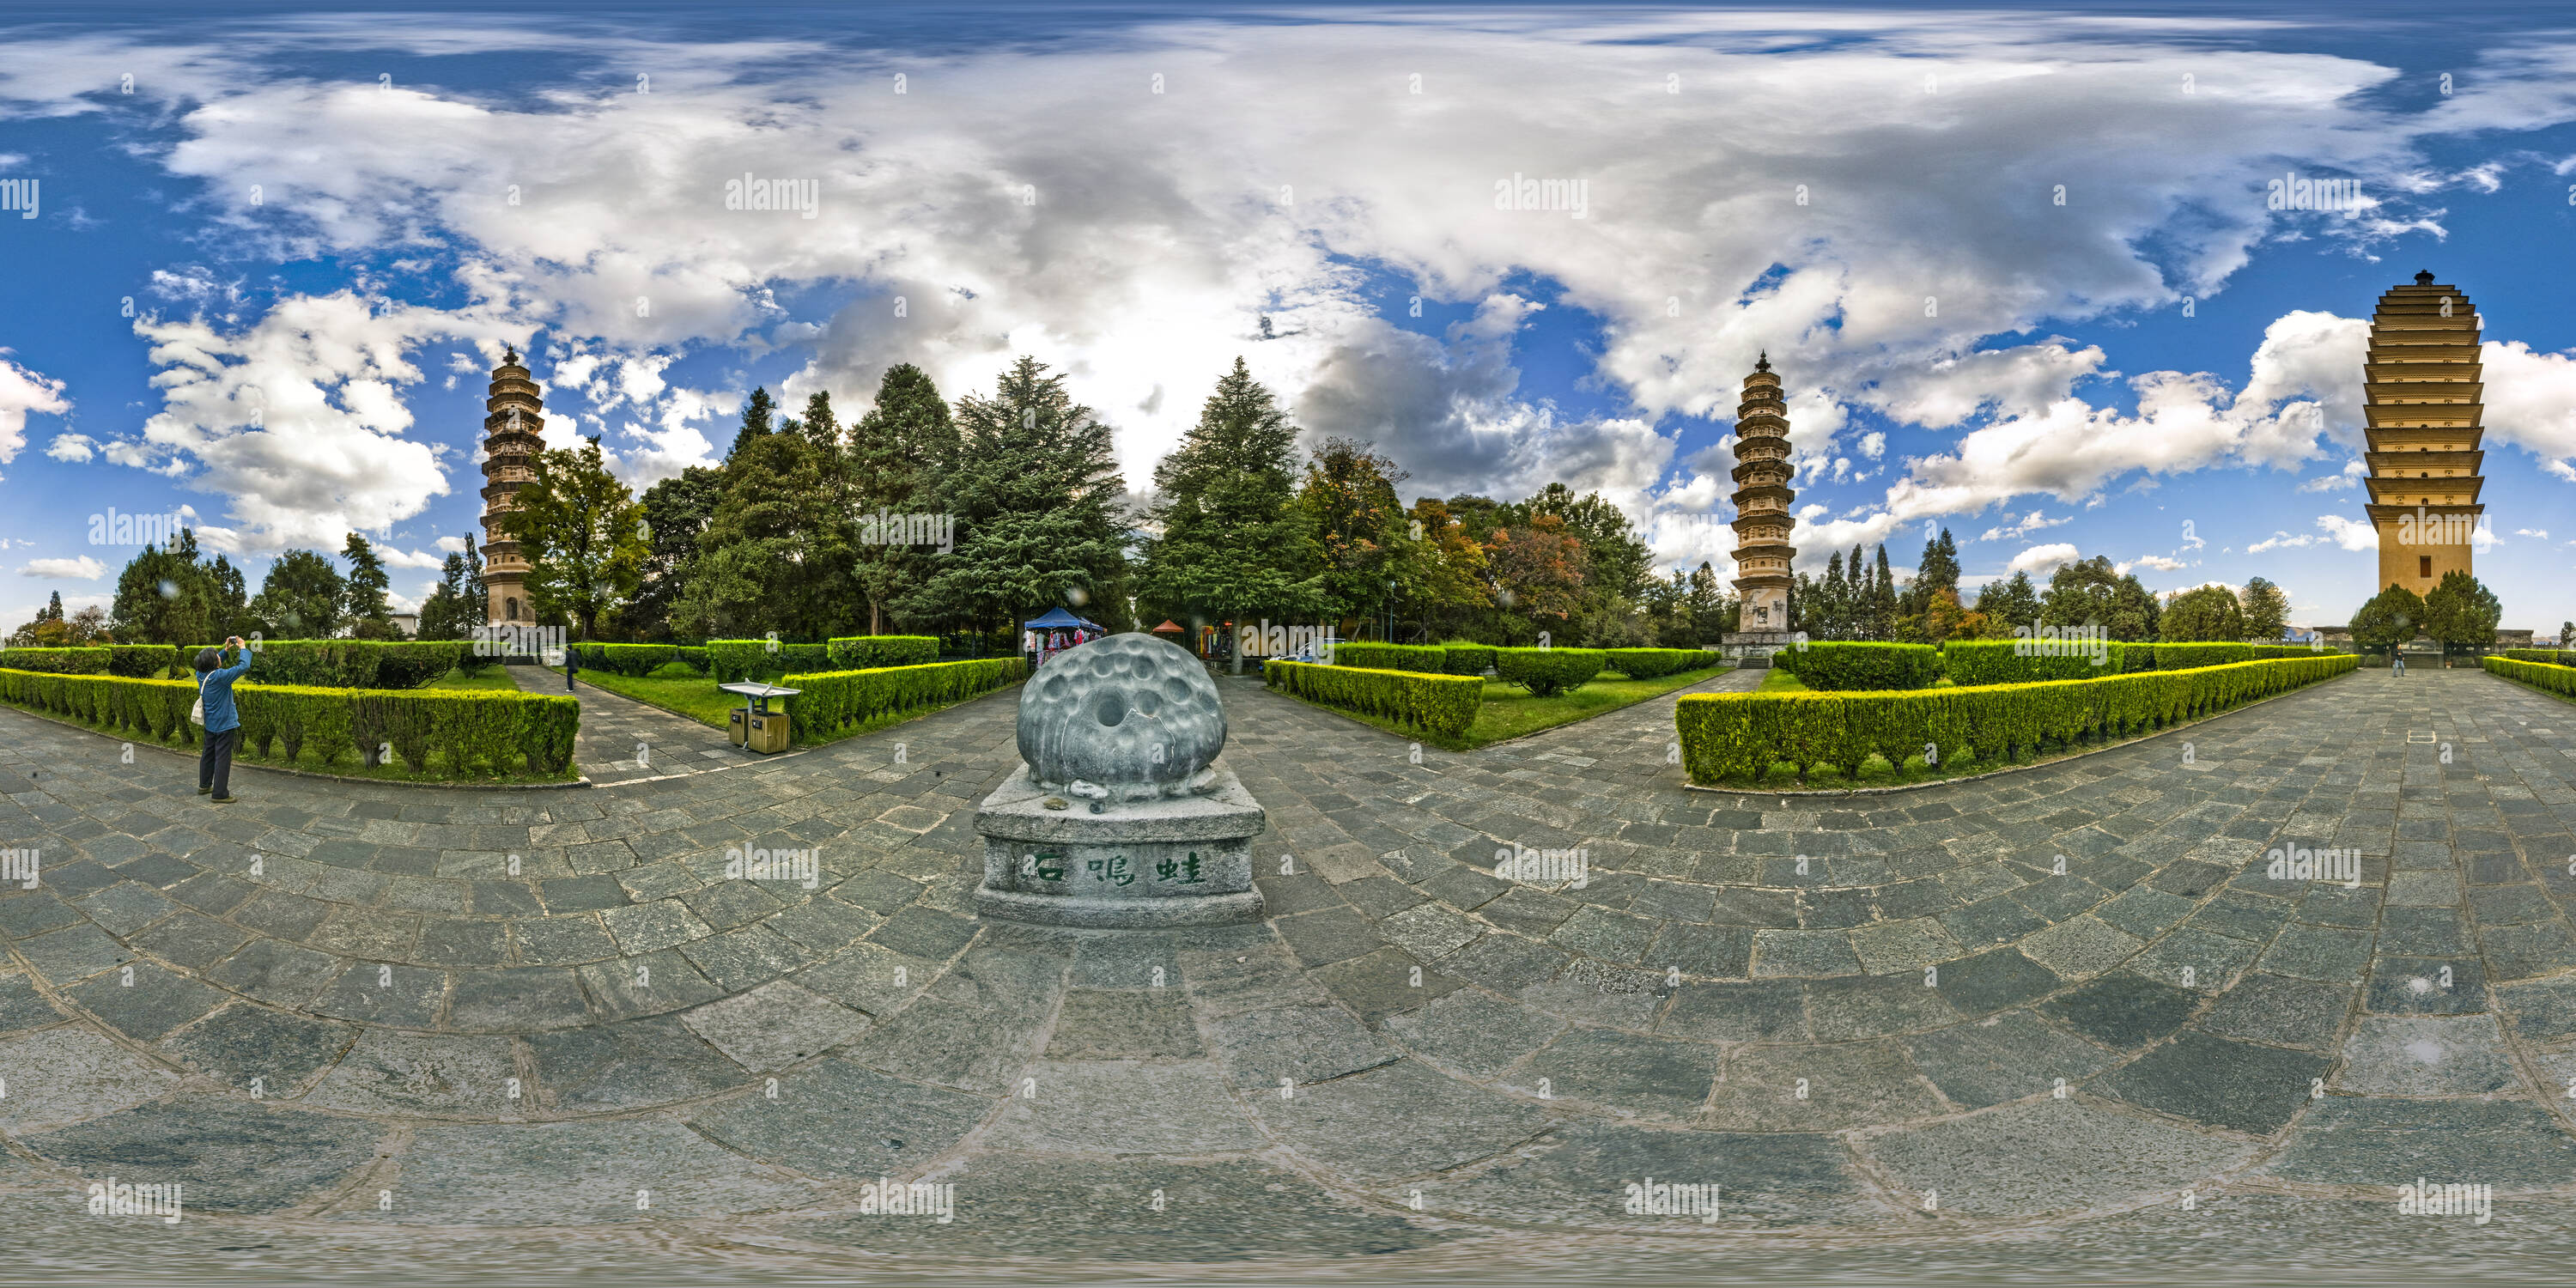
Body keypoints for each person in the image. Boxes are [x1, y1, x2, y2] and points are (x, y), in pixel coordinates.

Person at [194, 637, 253, 803]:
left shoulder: (200, 674)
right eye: (217, 656)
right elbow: (244, 666)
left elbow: (212, 663)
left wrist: (226, 650)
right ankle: (220, 794)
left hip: (211, 723)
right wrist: (242, 647)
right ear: (214, 662)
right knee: (222, 758)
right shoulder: (221, 677)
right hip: (225, 724)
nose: (219, 657)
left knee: (208, 753)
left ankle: (204, 785)